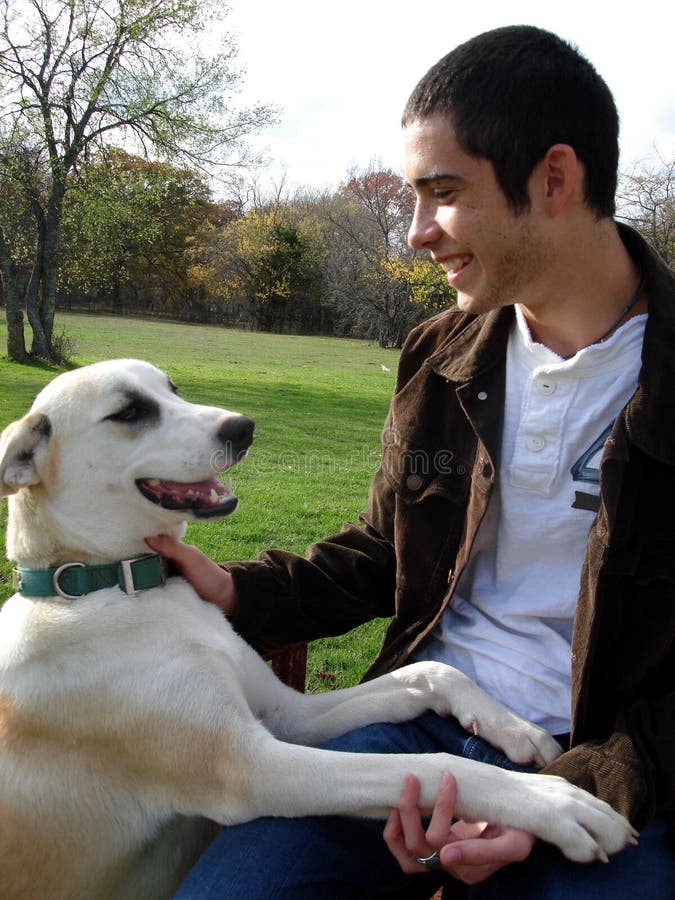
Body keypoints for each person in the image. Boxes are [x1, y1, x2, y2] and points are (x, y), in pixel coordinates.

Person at [147, 25, 675, 899]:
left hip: (607, 764)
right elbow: (386, 550)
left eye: (442, 193)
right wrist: (241, 592)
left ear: (553, 179)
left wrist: (560, 794)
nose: (416, 232)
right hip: (415, 724)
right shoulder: (442, 353)